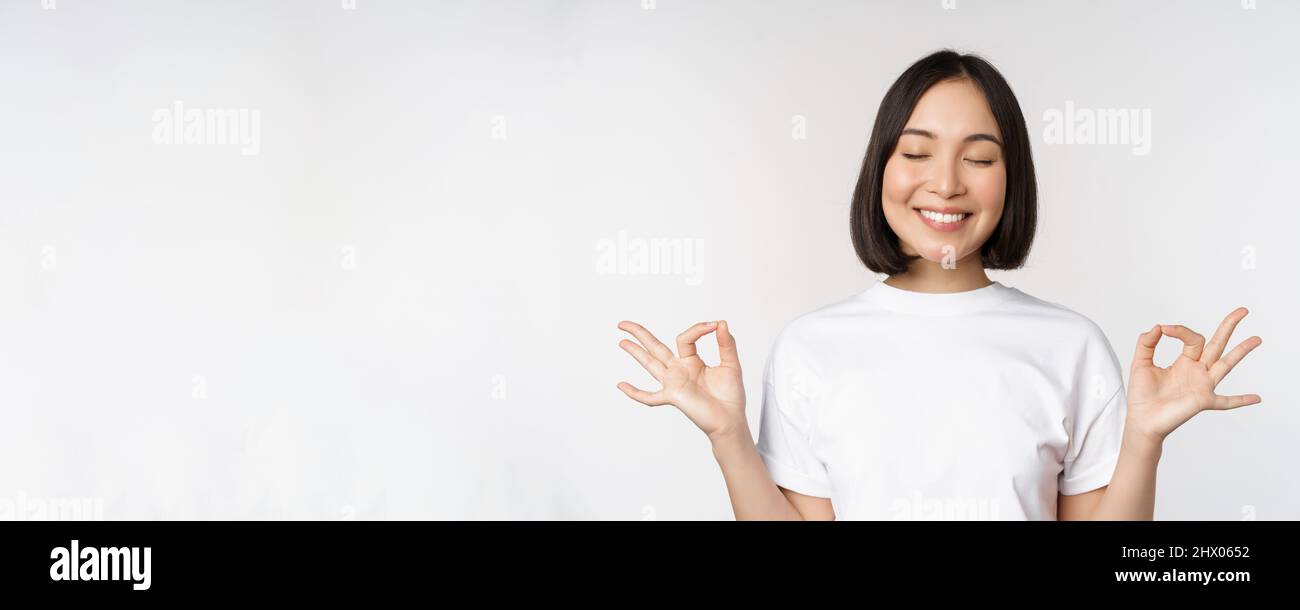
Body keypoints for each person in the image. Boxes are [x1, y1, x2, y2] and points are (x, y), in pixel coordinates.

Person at [614, 49, 1263, 520]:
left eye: (979, 158)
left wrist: (1143, 442)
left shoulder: (1070, 345)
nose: (947, 182)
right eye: (917, 152)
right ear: (881, 169)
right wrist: (728, 437)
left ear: (1012, 182)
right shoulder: (810, 347)